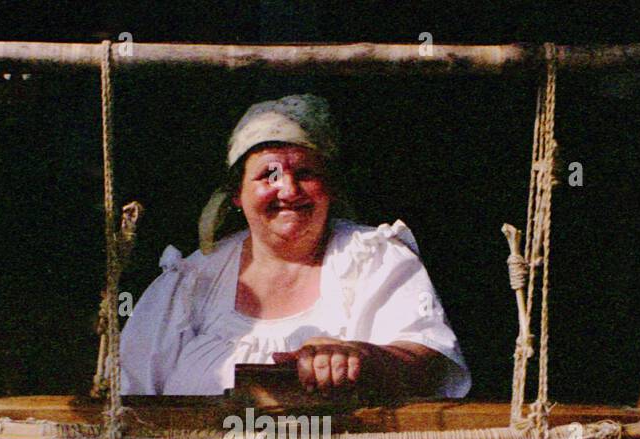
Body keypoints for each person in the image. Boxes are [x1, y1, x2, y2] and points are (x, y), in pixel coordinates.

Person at [119, 93, 470, 398]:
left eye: (305, 173)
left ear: (330, 187)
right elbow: (127, 390)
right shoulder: (191, 282)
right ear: (237, 195)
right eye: (268, 175)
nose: (288, 190)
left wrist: (363, 357)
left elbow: (432, 364)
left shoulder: (374, 259)